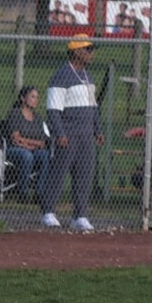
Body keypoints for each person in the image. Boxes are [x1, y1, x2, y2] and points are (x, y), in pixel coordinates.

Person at [38, 35, 103, 231]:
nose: (91, 53)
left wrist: (97, 129)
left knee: (84, 174)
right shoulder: (61, 76)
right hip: (68, 134)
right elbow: (53, 109)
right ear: (76, 52)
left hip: (85, 135)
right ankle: (48, 212)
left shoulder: (88, 77)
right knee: (58, 173)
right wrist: (59, 133)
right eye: (88, 49)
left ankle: (80, 215)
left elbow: (93, 106)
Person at [4, 85, 50, 200]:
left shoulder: (38, 118)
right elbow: (16, 139)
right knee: (27, 156)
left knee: (45, 155)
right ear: (23, 98)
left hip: (32, 149)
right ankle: (22, 193)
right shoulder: (15, 114)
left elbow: (43, 142)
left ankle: (39, 193)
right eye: (33, 97)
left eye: (37, 97)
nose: (36, 100)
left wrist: (27, 143)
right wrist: (34, 144)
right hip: (13, 149)